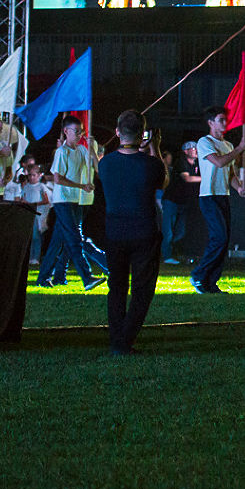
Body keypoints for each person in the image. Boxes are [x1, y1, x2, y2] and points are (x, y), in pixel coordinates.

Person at [96, 110, 168, 355]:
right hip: (144, 232)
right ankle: (123, 340)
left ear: (117, 133)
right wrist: (154, 147)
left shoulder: (105, 163)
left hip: (115, 232)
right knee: (142, 289)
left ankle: (117, 337)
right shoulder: (150, 164)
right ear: (142, 133)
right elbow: (163, 181)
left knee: (116, 287)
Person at [38, 115, 104, 290]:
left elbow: (98, 170)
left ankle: (43, 278)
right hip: (63, 201)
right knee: (74, 239)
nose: (80, 133)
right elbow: (58, 179)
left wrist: (92, 152)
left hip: (74, 200)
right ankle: (87, 277)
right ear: (66, 132)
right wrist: (81, 185)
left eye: (81, 130)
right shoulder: (62, 152)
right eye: (76, 131)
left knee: (57, 242)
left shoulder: (82, 150)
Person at [191, 106, 245, 294]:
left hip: (223, 195)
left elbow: (229, 172)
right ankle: (199, 275)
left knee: (224, 240)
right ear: (210, 123)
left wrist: (238, 187)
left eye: (225, 120)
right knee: (219, 237)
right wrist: (239, 149)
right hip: (209, 196)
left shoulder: (228, 146)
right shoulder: (204, 142)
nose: (225, 123)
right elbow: (219, 162)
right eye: (221, 120)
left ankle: (210, 282)